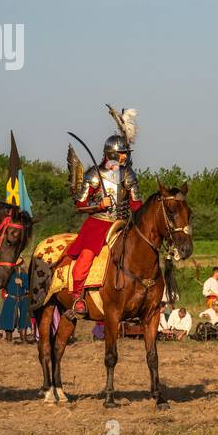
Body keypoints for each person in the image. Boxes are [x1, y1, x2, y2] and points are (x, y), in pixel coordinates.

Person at [67, 106, 143, 314]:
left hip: (124, 223)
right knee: (87, 256)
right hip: (98, 223)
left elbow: (137, 203)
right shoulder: (94, 174)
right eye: (122, 154)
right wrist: (99, 205)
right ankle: (77, 295)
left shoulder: (128, 174)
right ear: (112, 155)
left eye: (126, 154)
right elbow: (79, 204)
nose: (125, 158)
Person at [0, 265, 30, 342]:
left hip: (23, 299)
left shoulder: (25, 275)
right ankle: (8, 340)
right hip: (11, 299)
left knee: (24, 320)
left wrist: (22, 283)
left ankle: (23, 340)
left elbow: (30, 287)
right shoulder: (8, 275)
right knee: (8, 320)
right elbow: (2, 285)